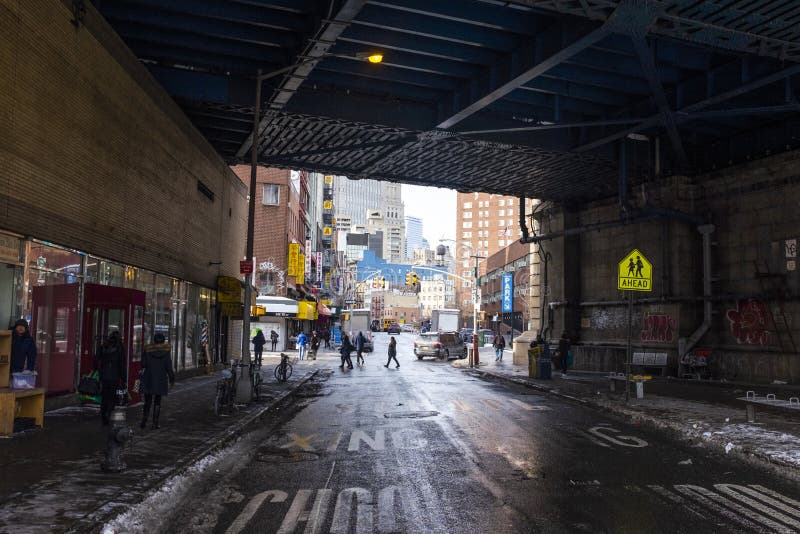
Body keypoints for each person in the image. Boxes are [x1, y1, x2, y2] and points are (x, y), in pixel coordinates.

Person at [140, 333, 175, 430]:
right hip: (160, 379)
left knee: (147, 401)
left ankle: (144, 421)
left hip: (149, 378)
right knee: (157, 401)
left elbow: (143, 364)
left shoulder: (147, 350)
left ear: (154, 340)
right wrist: (172, 378)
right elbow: (169, 366)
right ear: (163, 341)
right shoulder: (166, 351)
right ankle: (155, 423)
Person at [94, 331, 126, 426]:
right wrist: (123, 378)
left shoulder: (103, 346)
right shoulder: (120, 348)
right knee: (112, 396)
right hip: (114, 377)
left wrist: (99, 370)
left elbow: (96, 360)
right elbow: (122, 365)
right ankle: (109, 412)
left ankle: (104, 416)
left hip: (103, 376)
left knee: (104, 396)